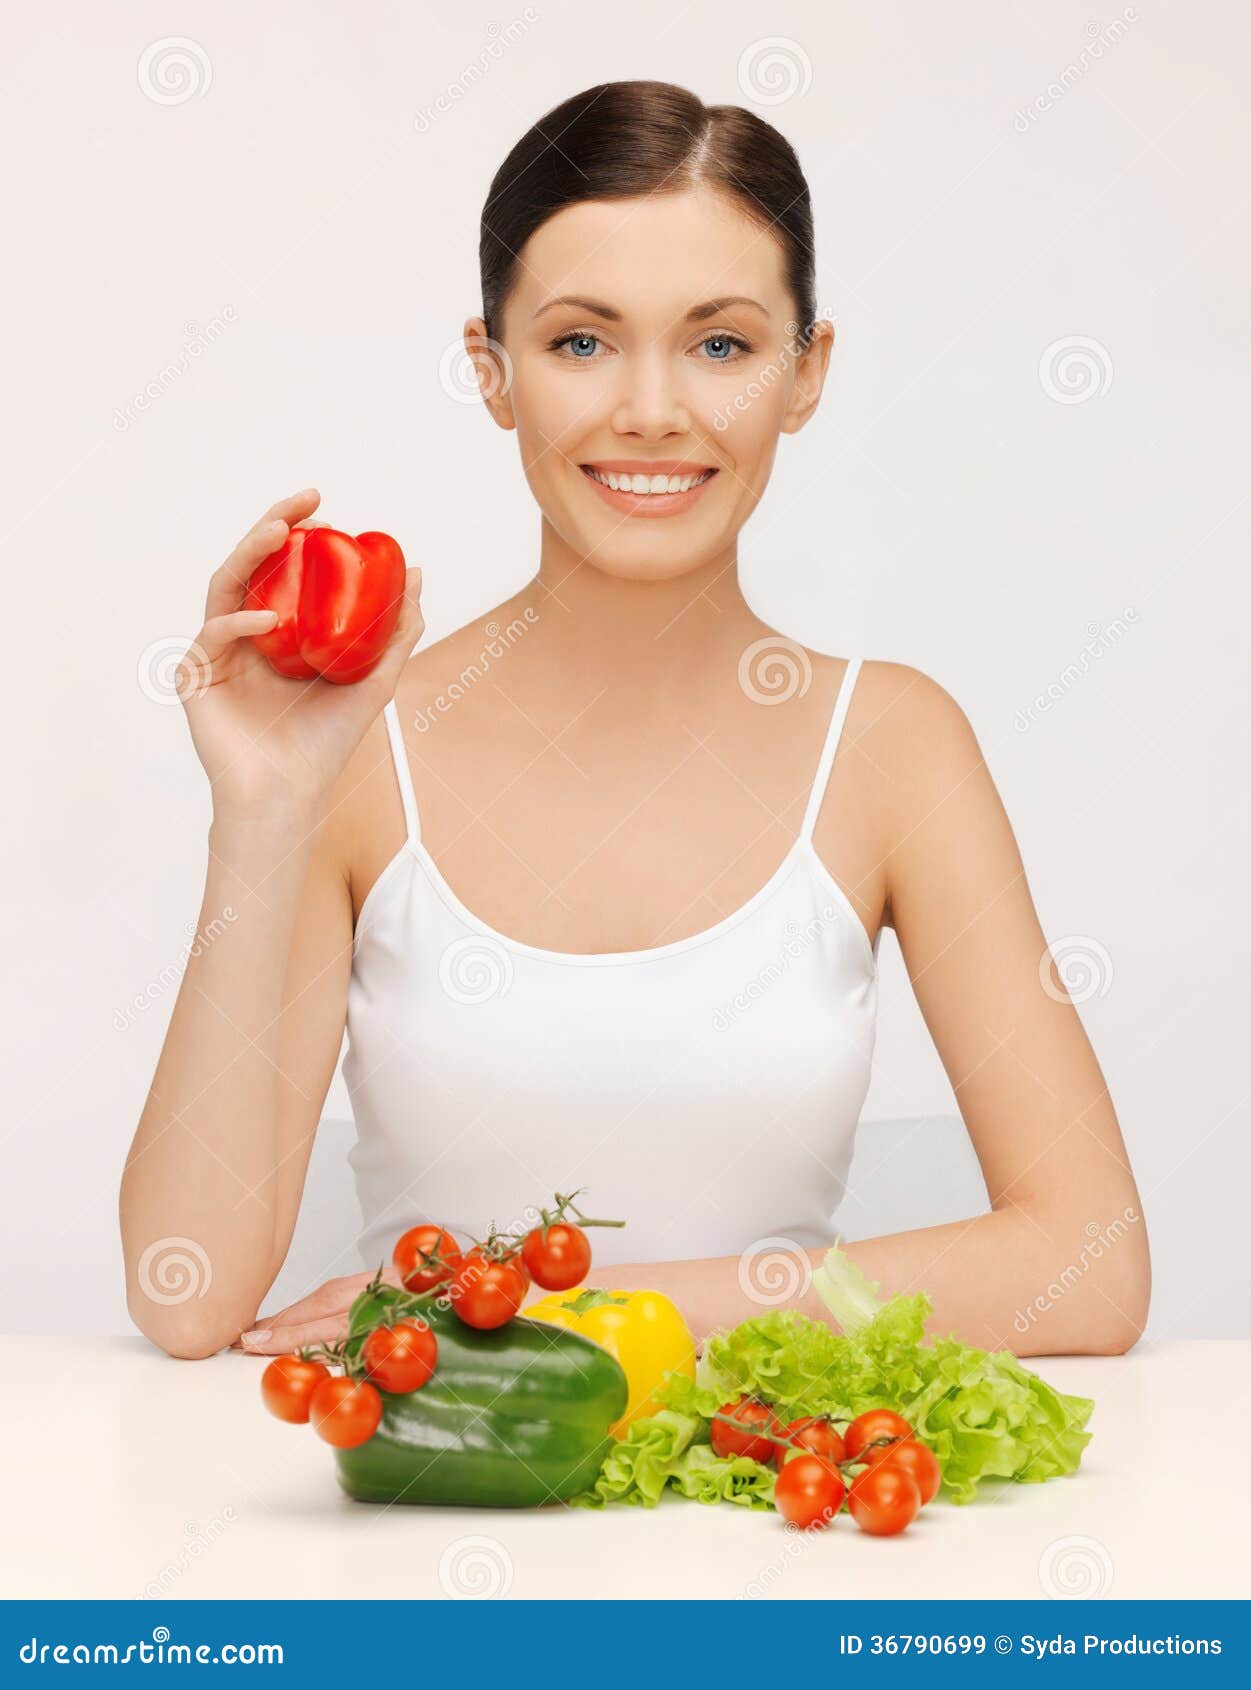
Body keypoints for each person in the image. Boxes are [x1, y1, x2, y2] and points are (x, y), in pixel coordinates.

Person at [119, 80, 1149, 1362]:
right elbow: (186, 1297)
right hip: (437, 1496)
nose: (651, 409)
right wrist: (260, 813)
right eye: (580, 342)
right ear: (493, 373)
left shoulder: (893, 744)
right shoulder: (360, 750)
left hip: (779, 1532)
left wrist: (574, 1313)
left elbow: (1089, 1265)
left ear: (805, 372)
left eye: (720, 344)